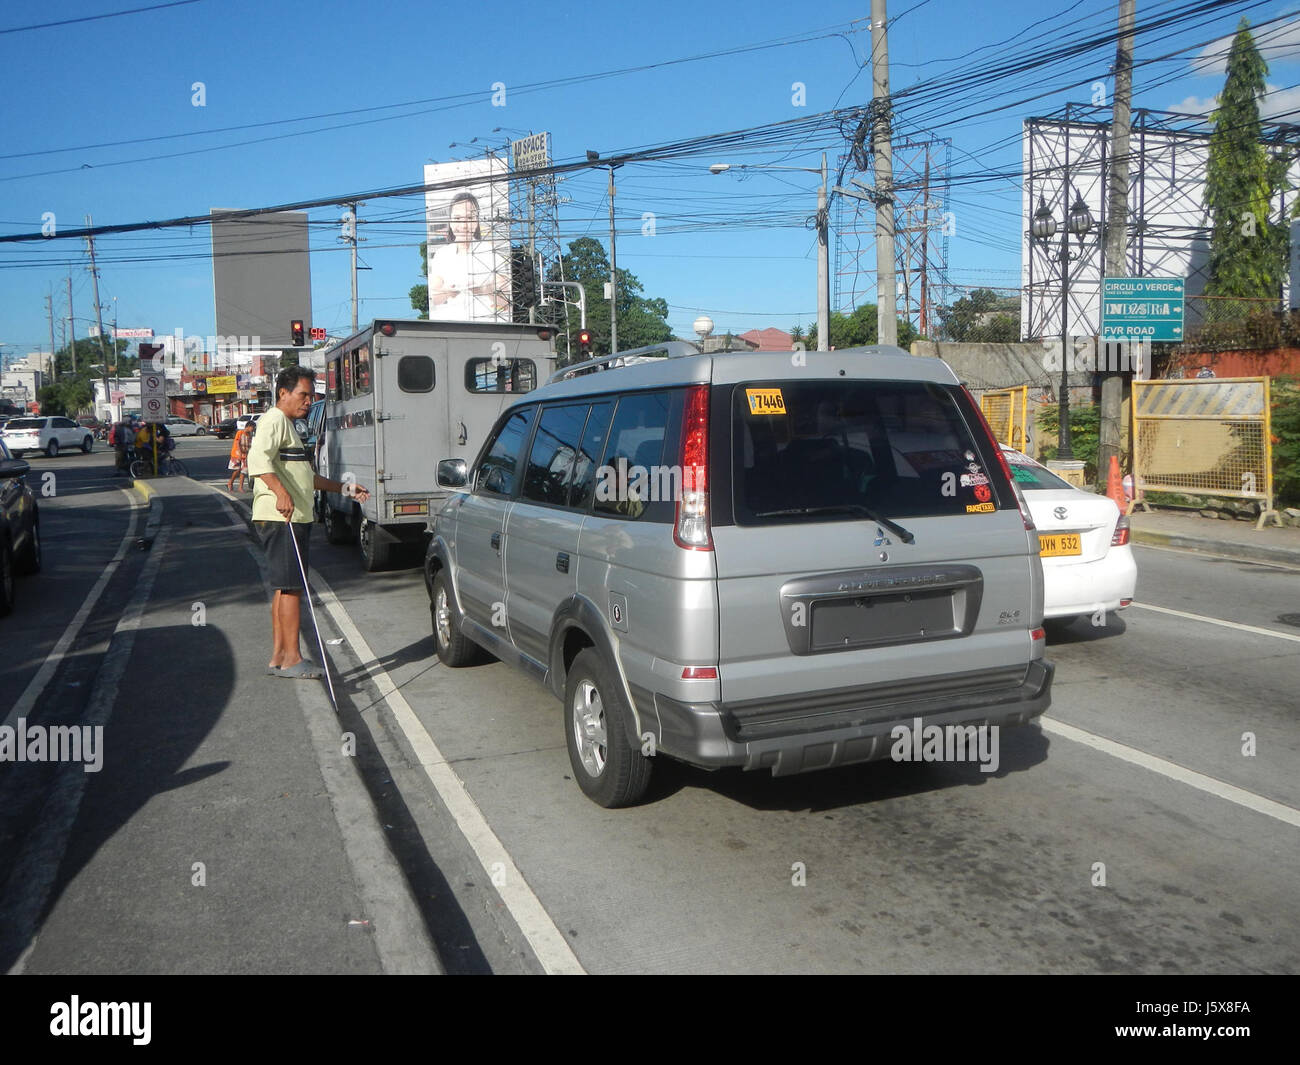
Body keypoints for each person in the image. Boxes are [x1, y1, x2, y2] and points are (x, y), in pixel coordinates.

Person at [248, 365, 370, 679]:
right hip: (282, 516)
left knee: (283, 588)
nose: (308, 401)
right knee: (291, 588)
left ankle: (279, 656)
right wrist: (280, 493)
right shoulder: (274, 420)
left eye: (311, 395)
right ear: (283, 394)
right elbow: (257, 460)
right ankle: (292, 658)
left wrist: (345, 489)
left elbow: (307, 478)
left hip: (290, 516)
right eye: (303, 395)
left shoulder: (289, 425)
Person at [428, 191, 508, 320]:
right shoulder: (442, 255)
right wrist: (448, 291)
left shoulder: (490, 252)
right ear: (450, 221)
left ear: (477, 221)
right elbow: (434, 297)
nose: (463, 225)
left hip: (488, 324)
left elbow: (506, 300)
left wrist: (484, 289)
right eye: (457, 219)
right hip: (453, 324)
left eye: (470, 218)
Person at [226, 421, 252, 492]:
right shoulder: (240, 433)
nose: (252, 429)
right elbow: (237, 443)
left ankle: (240, 487)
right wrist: (240, 453)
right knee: (237, 470)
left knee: (244, 471)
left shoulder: (250, 435)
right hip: (237, 454)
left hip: (245, 455)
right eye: (252, 428)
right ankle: (230, 483)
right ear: (248, 426)